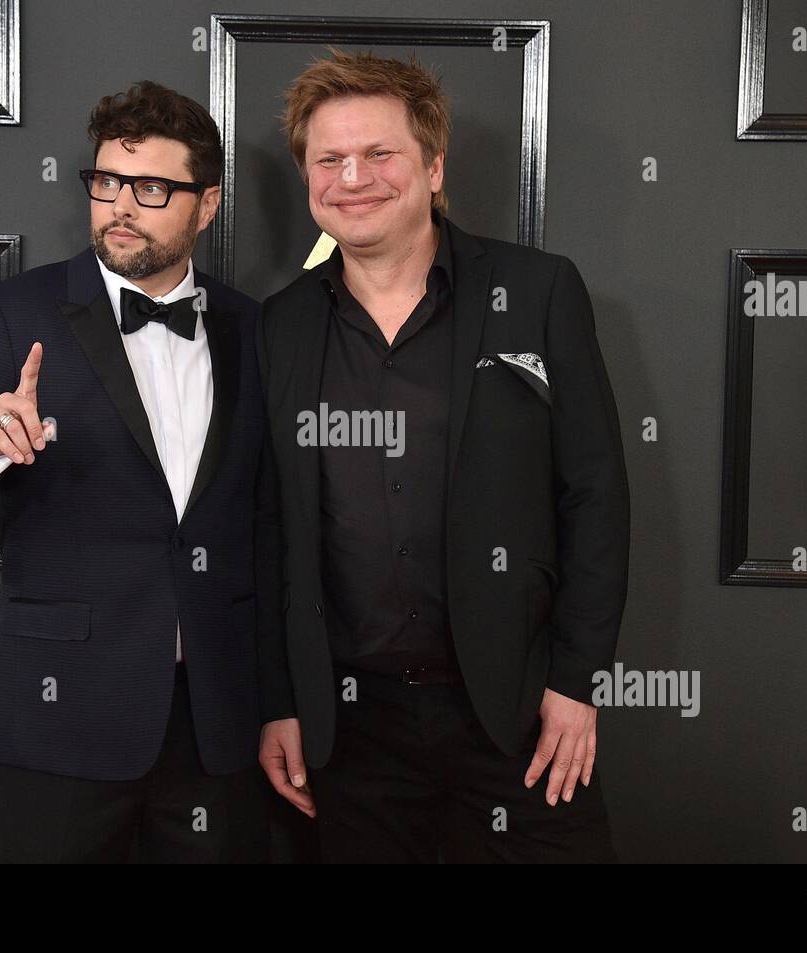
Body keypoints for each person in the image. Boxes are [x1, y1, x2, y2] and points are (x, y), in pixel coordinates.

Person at [255, 50, 631, 863]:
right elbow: (268, 531)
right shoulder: (275, 328)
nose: (353, 177)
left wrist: (575, 682)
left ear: (433, 165)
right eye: (330, 159)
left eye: (380, 153)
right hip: (346, 732)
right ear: (308, 175)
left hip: (518, 717)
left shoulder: (537, 292)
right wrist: (280, 701)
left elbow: (595, 495)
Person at [0, 81, 279, 863]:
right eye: (106, 183)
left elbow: (270, 523)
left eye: (150, 188)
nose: (119, 207)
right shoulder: (10, 314)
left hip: (218, 723)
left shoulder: (254, 327)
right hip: (62, 712)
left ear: (206, 206)